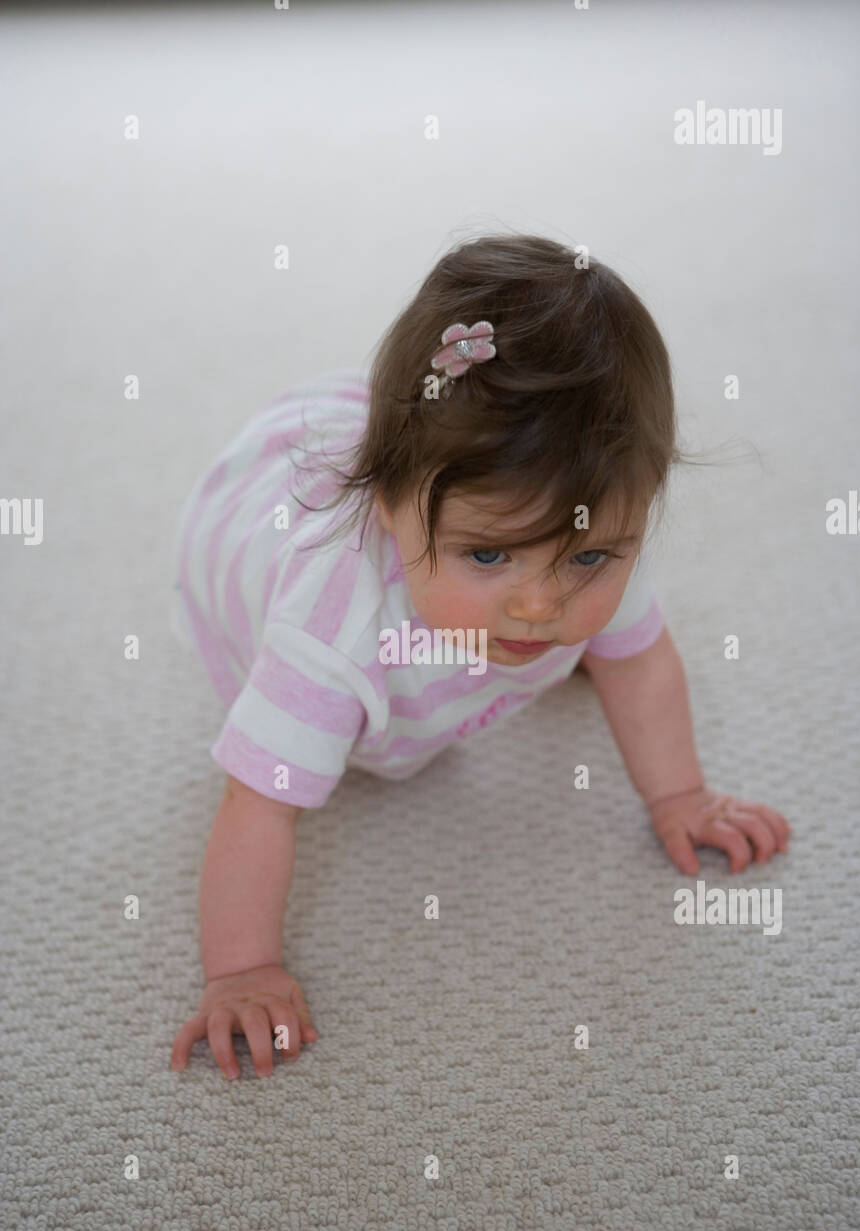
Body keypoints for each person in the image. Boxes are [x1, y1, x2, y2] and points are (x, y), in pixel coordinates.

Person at [169, 234, 791, 1081]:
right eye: (490, 557)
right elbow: (257, 806)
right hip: (248, 520)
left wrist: (681, 794)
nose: (541, 605)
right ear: (389, 509)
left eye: (587, 560)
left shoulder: (590, 540)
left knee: (588, 625)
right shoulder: (328, 635)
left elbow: (639, 661)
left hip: (418, 474)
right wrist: (240, 969)